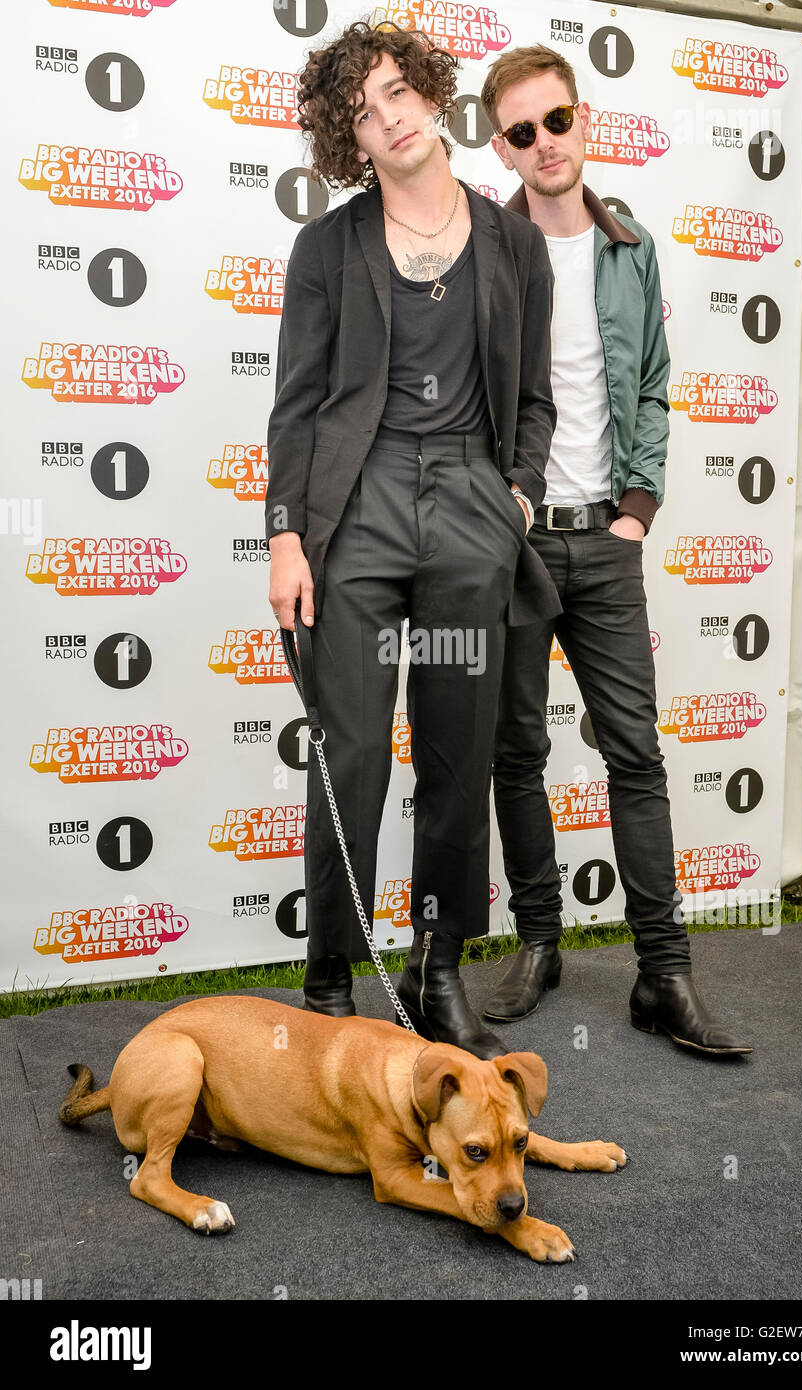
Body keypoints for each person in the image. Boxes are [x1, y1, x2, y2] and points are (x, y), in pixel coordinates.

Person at [265, 21, 561, 1059]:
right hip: (358, 507)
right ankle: (331, 980)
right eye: (361, 110)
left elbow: (534, 396)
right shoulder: (328, 246)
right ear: (347, 138)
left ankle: (439, 971)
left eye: (396, 91)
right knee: (349, 750)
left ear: (432, 95)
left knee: (454, 749)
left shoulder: (513, 242)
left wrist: (514, 496)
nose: (386, 117)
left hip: (470, 509)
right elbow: (296, 406)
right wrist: (285, 535)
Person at [479, 45, 752, 1055]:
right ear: (500, 145)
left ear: (581, 123)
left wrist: (636, 506)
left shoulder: (629, 245)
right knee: (517, 751)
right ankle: (540, 940)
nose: (542, 144)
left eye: (555, 122)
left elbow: (647, 384)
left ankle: (663, 975)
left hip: (604, 537)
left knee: (633, 754)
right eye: (520, 132)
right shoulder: (480, 249)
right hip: (509, 547)